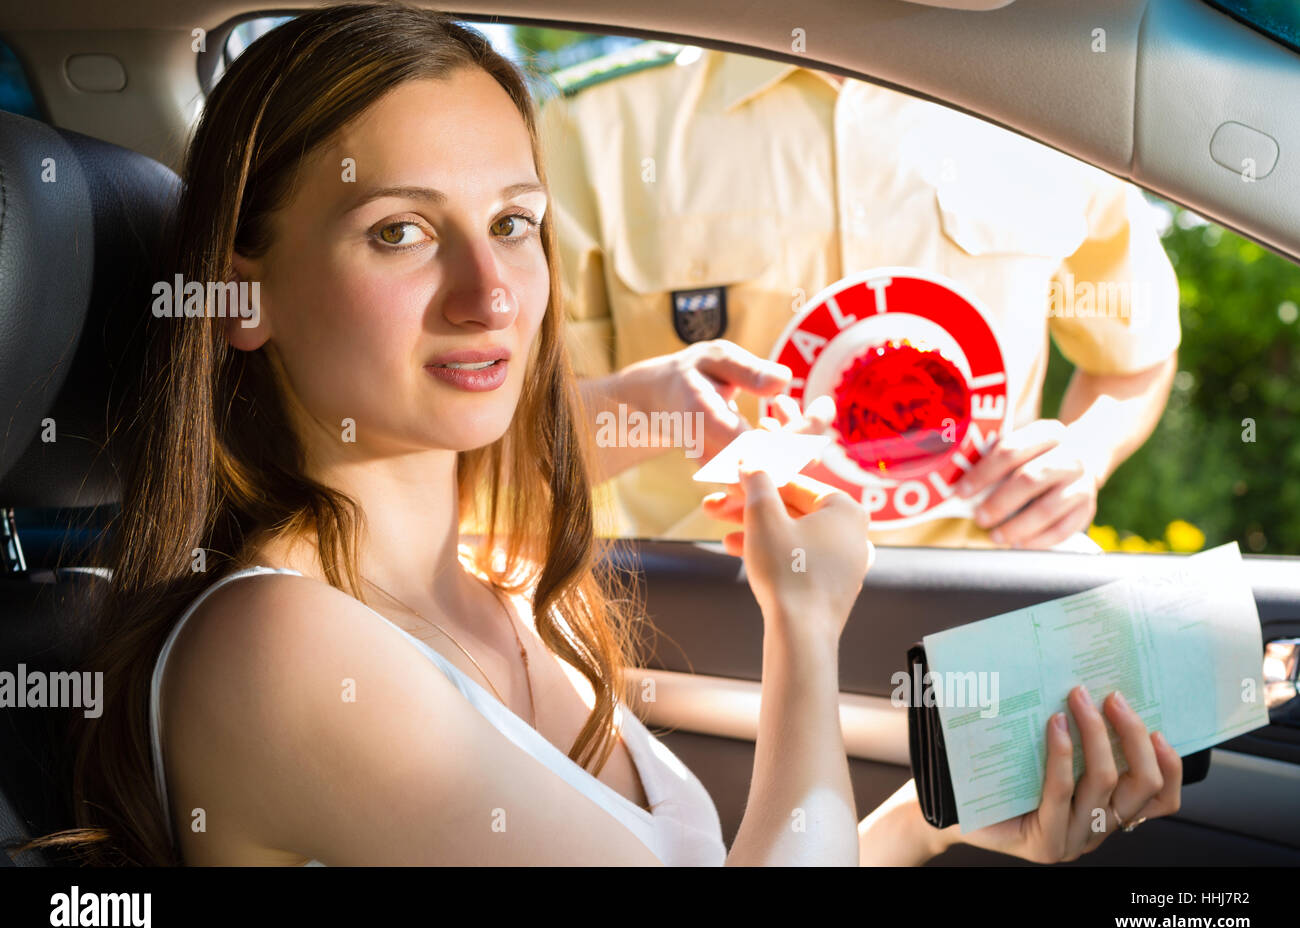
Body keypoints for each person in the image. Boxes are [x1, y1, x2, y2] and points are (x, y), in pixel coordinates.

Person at [17, 4, 1180, 867]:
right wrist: (804, 622)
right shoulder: (280, 649)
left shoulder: (498, 587)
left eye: (513, 224)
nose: (491, 293)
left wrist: (928, 820)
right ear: (244, 295)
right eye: (398, 232)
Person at [538, 43, 1181, 551]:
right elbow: (502, 444)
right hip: (710, 628)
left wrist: (1085, 452)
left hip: (984, 612)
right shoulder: (594, 128)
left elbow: (1134, 359)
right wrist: (649, 409)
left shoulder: (1047, 116)